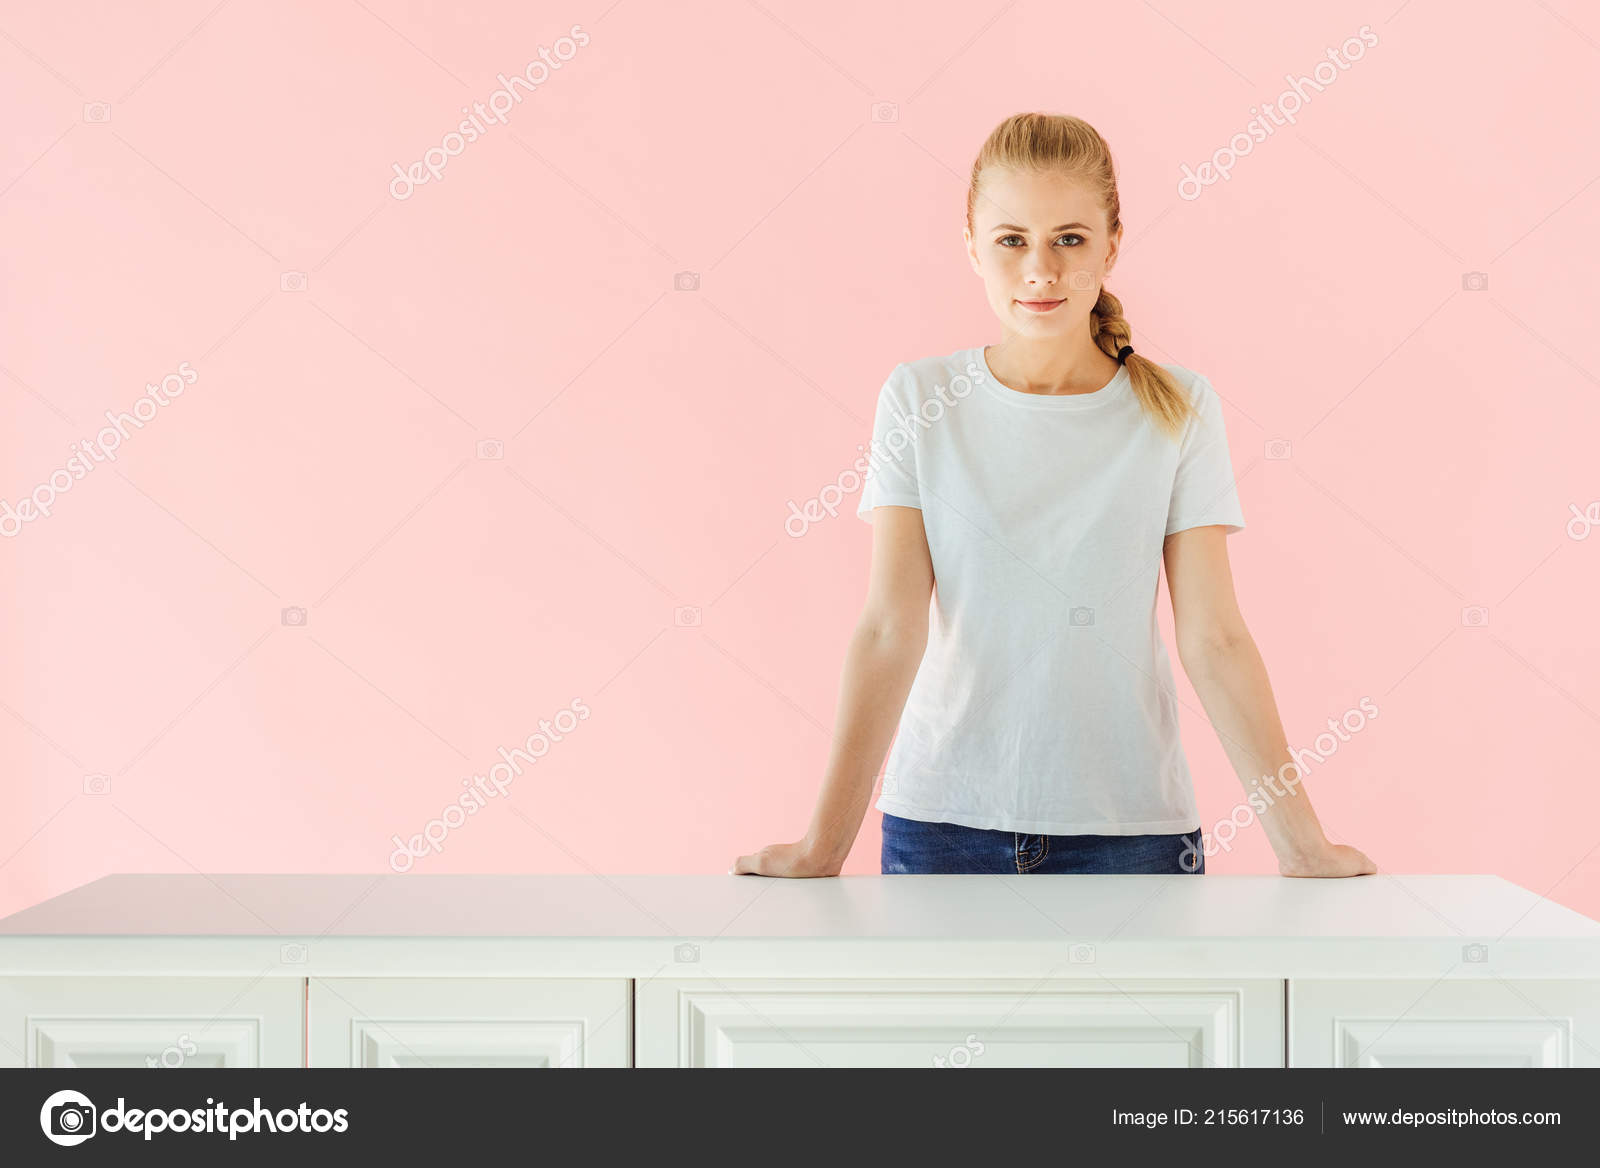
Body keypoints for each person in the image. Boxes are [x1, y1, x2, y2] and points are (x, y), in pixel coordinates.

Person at [732, 112, 1376, 879]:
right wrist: (822, 848)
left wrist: (1302, 847)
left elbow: (1215, 640)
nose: (1041, 270)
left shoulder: (1179, 408)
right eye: (1012, 240)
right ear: (972, 246)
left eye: (1069, 239)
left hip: (1133, 832)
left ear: (1112, 245)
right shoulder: (920, 398)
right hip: (943, 824)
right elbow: (888, 630)